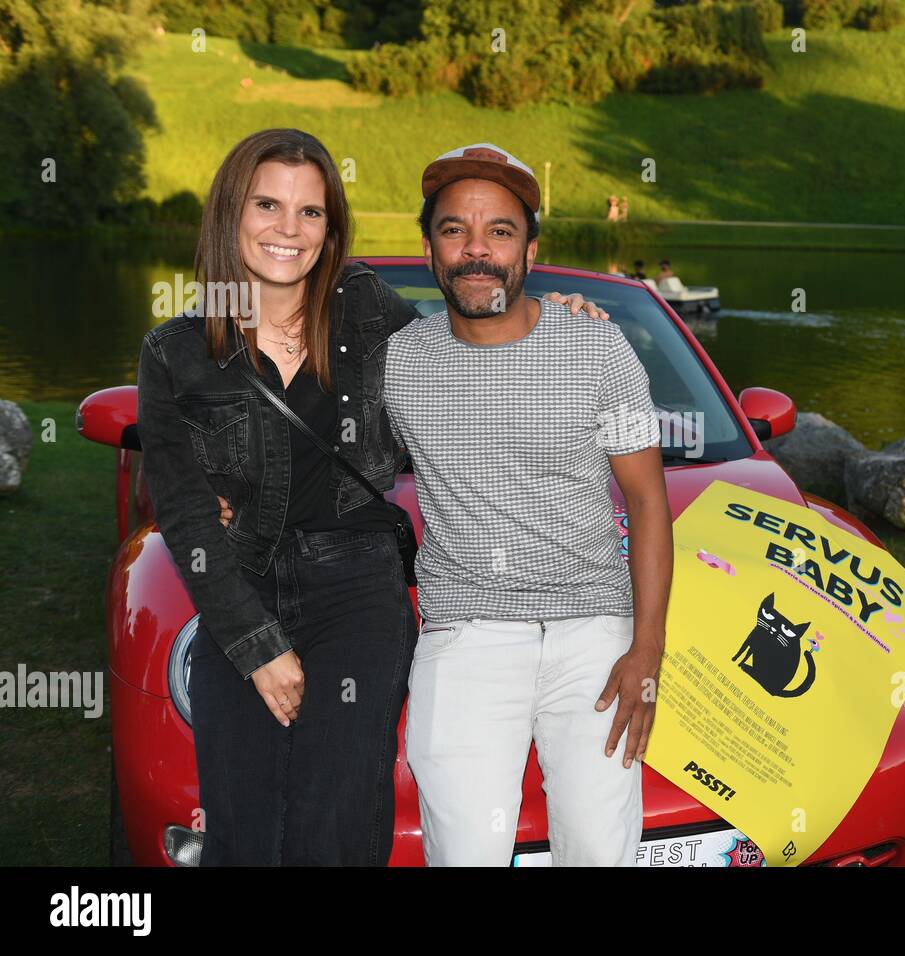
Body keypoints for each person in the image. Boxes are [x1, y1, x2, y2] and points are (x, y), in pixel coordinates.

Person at [135, 128, 603, 866]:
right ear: (231, 213)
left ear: (331, 227)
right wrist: (257, 648)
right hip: (239, 587)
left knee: (340, 827)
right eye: (268, 204)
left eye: (311, 212)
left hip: (356, 588)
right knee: (240, 830)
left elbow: (467, 358)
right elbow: (187, 518)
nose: (289, 229)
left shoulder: (360, 306)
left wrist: (552, 323)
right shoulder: (176, 350)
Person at [387, 143, 673, 866]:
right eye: (455, 230)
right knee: (465, 854)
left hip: (596, 639)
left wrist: (645, 648)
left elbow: (646, 503)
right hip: (467, 637)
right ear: (429, 248)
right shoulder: (396, 361)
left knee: (599, 853)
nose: (476, 250)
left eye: (500, 232)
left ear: (530, 250)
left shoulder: (599, 351)